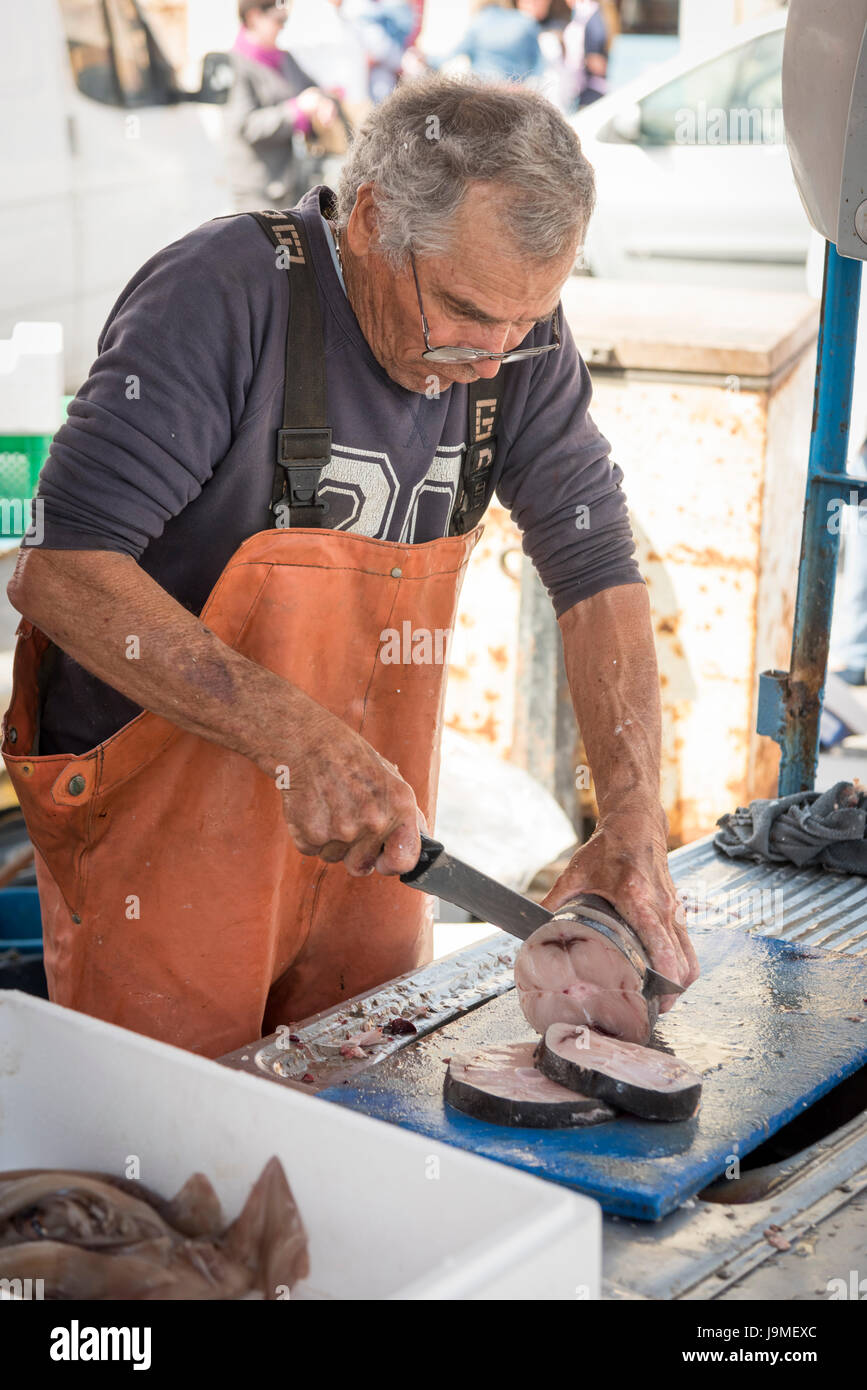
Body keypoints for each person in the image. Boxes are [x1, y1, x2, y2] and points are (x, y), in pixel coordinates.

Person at [4, 75, 698, 1058]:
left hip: (369, 845)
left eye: (528, 319)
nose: (497, 356)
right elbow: (62, 569)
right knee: (169, 1165)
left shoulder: (512, 341)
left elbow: (595, 570)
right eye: (465, 309)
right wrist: (294, 733)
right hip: (166, 847)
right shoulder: (223, 296)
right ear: (371, 219)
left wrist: (632, 820)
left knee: (367, 1113)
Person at [223, 0, 339, 210]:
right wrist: (297, 110)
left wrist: (324, 102)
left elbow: (314, 88)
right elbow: (246, 125)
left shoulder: (284, 59)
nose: (283, 27)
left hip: (291, 181)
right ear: (254, 16)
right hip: (258, 190)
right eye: (279, 20)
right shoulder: (235, 65)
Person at [447, 0, 544, 83]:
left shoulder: (479, 22)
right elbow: (539, 65)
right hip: (514, 94)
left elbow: (453, 53)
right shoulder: (525, 21)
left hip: (480, 90)